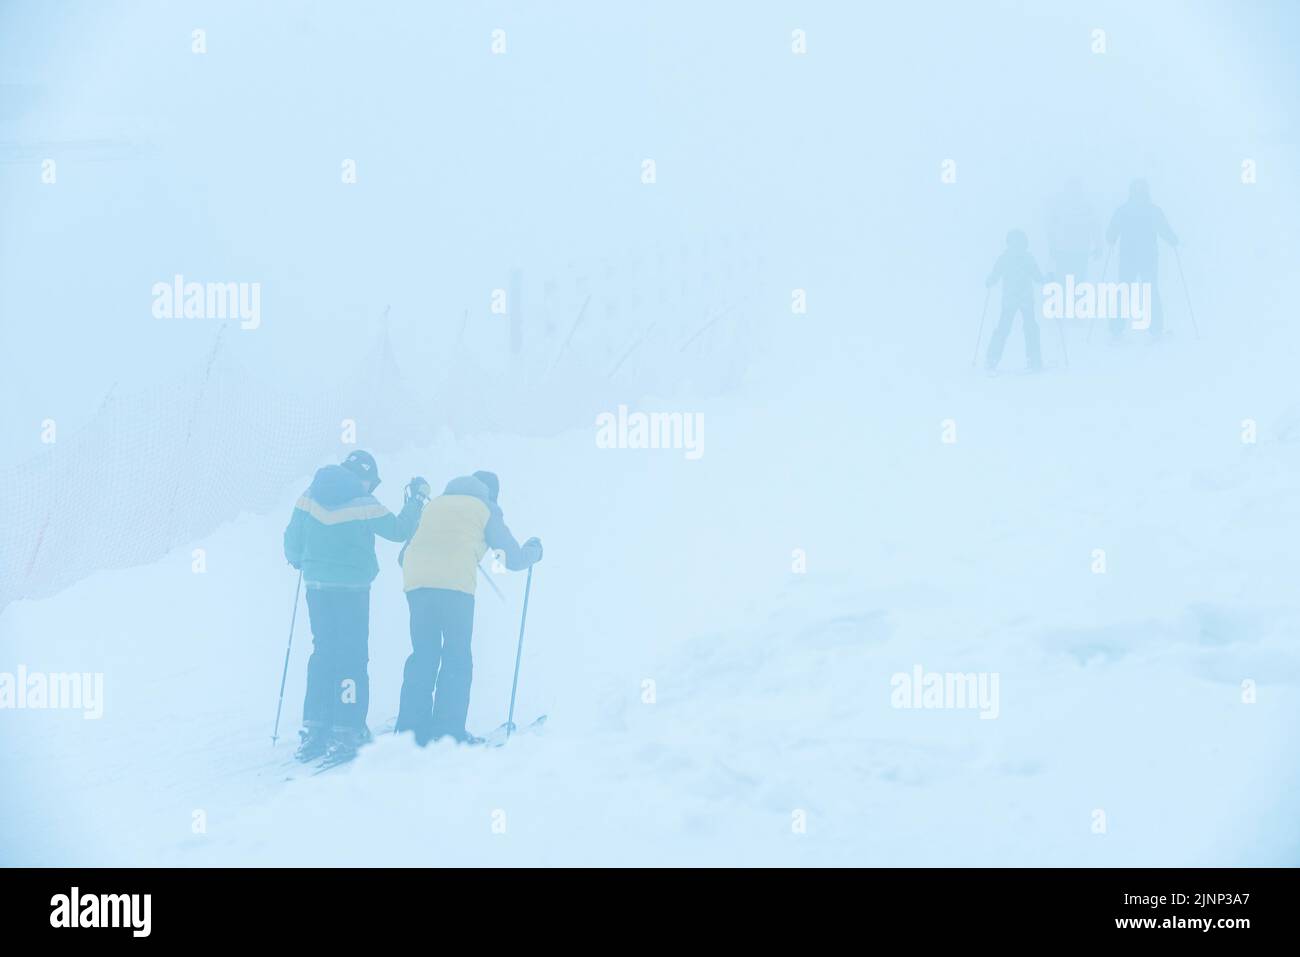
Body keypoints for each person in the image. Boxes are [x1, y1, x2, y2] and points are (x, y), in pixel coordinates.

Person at [283, 450, 429, 764]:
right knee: (351, 656)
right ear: (363, 476)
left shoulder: (308, 496)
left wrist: (300, 559)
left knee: (322, 652)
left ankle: (314, 728)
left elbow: (291, 540)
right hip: (352, 589)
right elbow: (399, 531)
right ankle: (346, 730)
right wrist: (416, 500)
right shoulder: (363, 501)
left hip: (317, 586)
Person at [396, 470, 542, 746]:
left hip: (416, 583)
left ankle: (411, 731)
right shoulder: (486, 507)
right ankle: (447, 731)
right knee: (456, 655)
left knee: (423, 654)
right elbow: (511, 558)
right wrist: (534, 551)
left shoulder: (436, 503)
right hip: (455, 589)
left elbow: (402, 556)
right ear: (491, 493)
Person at [1105, 179, 1179, 337]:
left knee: (1133, 291)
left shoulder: (1125, 210)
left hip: (1136, 258)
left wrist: (1172, 239)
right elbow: (1164, 230)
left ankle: (1119, 329)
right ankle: (1152, 328)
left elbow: (1111, 233)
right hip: (1142, 258)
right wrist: (1173, 239)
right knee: (1145, 291)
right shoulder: (1151, 210)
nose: (1139, 195)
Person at [984, 229, 1050, 374]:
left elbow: (995, 275)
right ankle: (1034, 360)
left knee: (1005, 328)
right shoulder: (1027, 258)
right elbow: (1038, 278)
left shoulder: (1005, 258)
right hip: (1023, 299)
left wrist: (990, 281)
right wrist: (1047, 279)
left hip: (1011, 300)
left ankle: (992, 359)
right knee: (1029, 328)